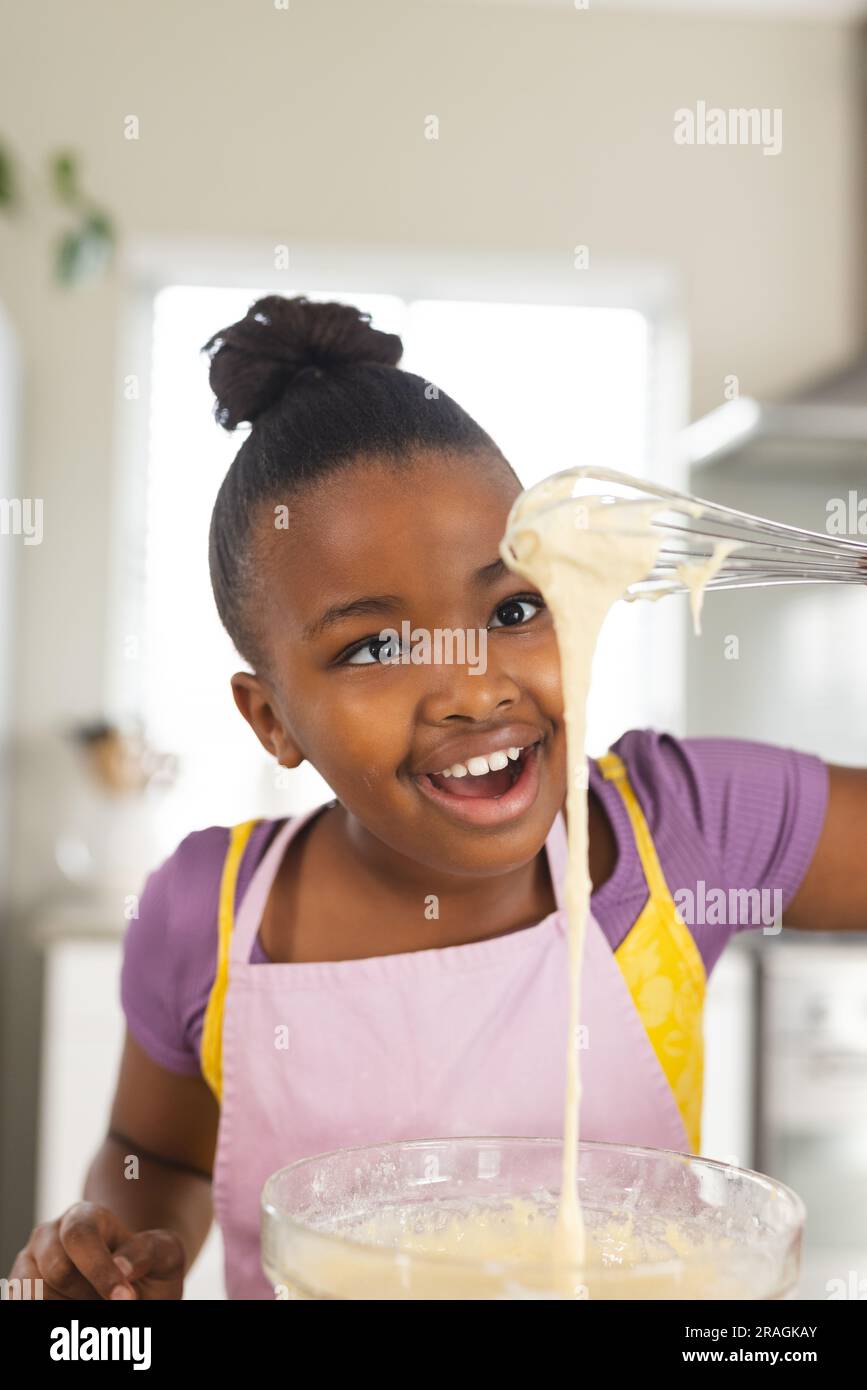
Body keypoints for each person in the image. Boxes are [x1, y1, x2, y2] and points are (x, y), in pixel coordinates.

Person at [10, 295, 866, 1299]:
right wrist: (120, 1247)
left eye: (512, 607)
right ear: (271, 717)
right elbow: (157, 1156)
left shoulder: (686, 829)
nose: (473, 685)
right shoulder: (206, 911)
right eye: (374, 645)